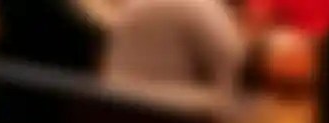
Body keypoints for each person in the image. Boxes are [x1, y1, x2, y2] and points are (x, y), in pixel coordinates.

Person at [102, 0, 246, 93]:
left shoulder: (133, 5)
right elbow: (232, 59)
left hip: (119, 111)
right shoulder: (200, 7)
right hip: (174, 120)